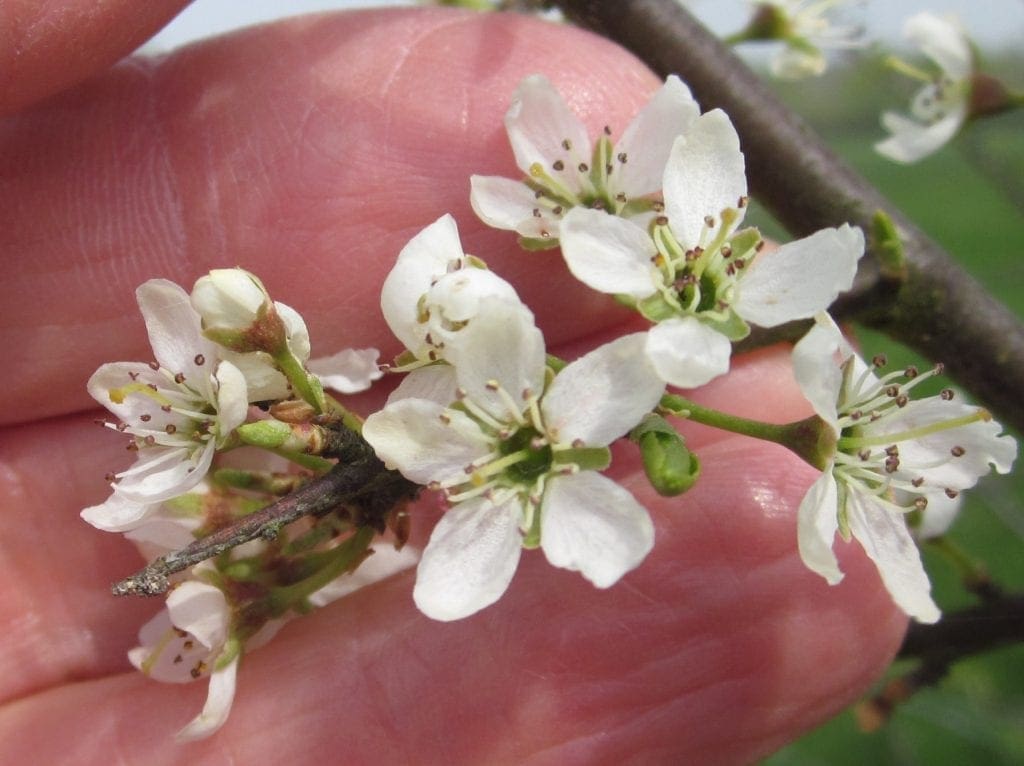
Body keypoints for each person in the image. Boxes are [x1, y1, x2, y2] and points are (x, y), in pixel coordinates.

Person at [0, 4, 907, 762]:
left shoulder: (590, 357)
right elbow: (417, 429)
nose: (528, 448)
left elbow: (537, 389)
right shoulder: (472, 389)